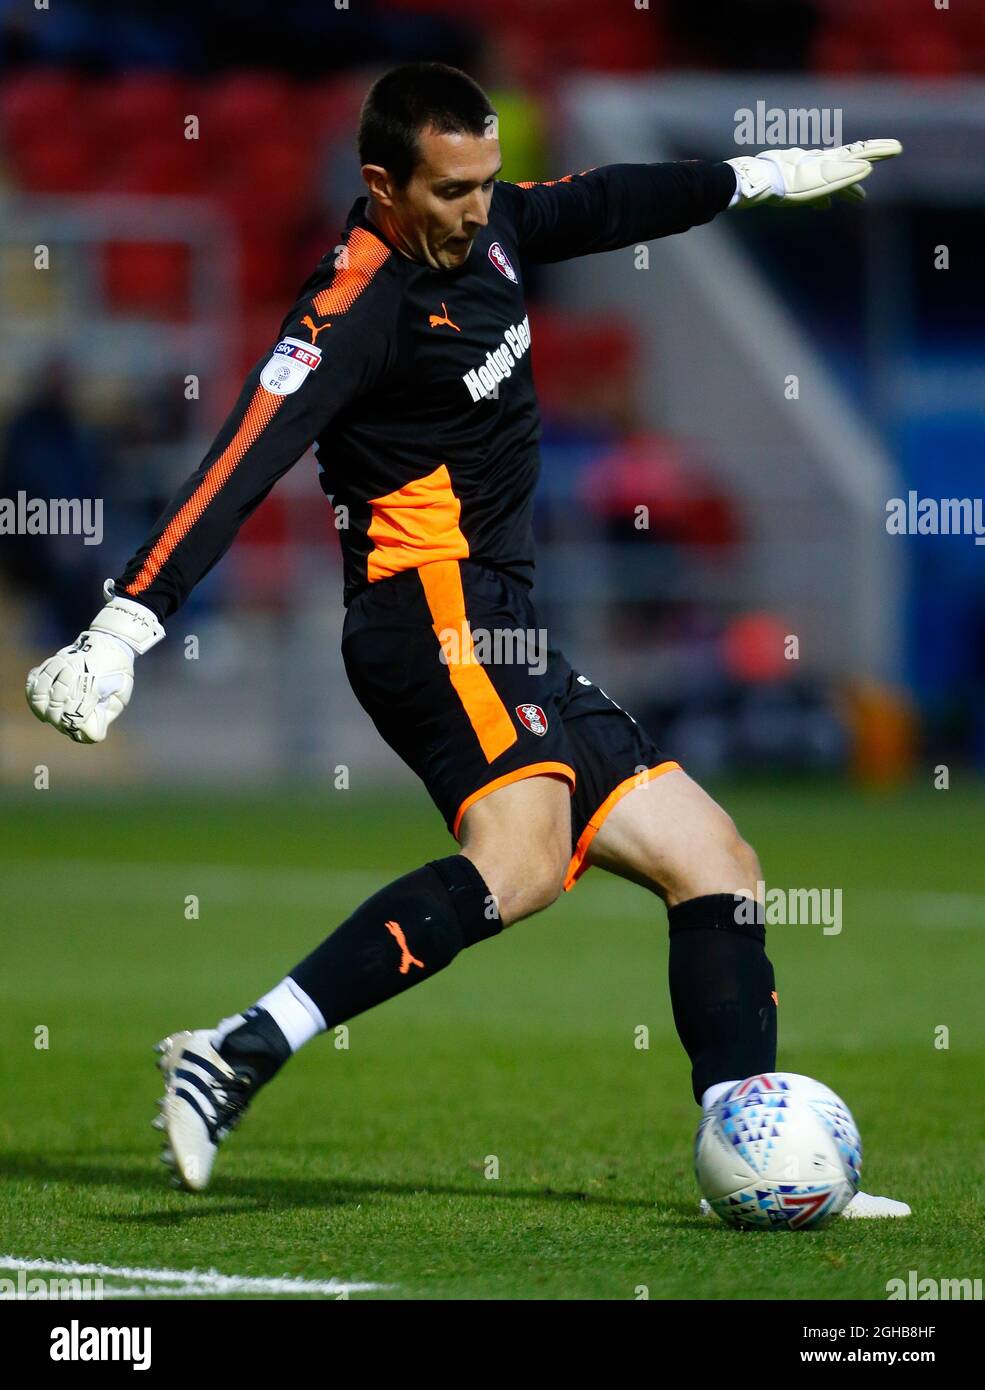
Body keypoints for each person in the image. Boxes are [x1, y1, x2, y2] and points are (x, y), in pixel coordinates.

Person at [26, 62, 907, 1218]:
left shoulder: (485, 232)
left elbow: (600, 202)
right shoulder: (355, 306)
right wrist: (123, 627)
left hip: (504, 620)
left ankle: (758, 1160)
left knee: (715, 861)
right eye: (451, 190)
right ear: (382, 184)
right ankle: (237, 1049)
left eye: (488, 181)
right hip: (425, 608)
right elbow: (239, 461)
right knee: (525, 861)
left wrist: (762, 175)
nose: (479, 205)